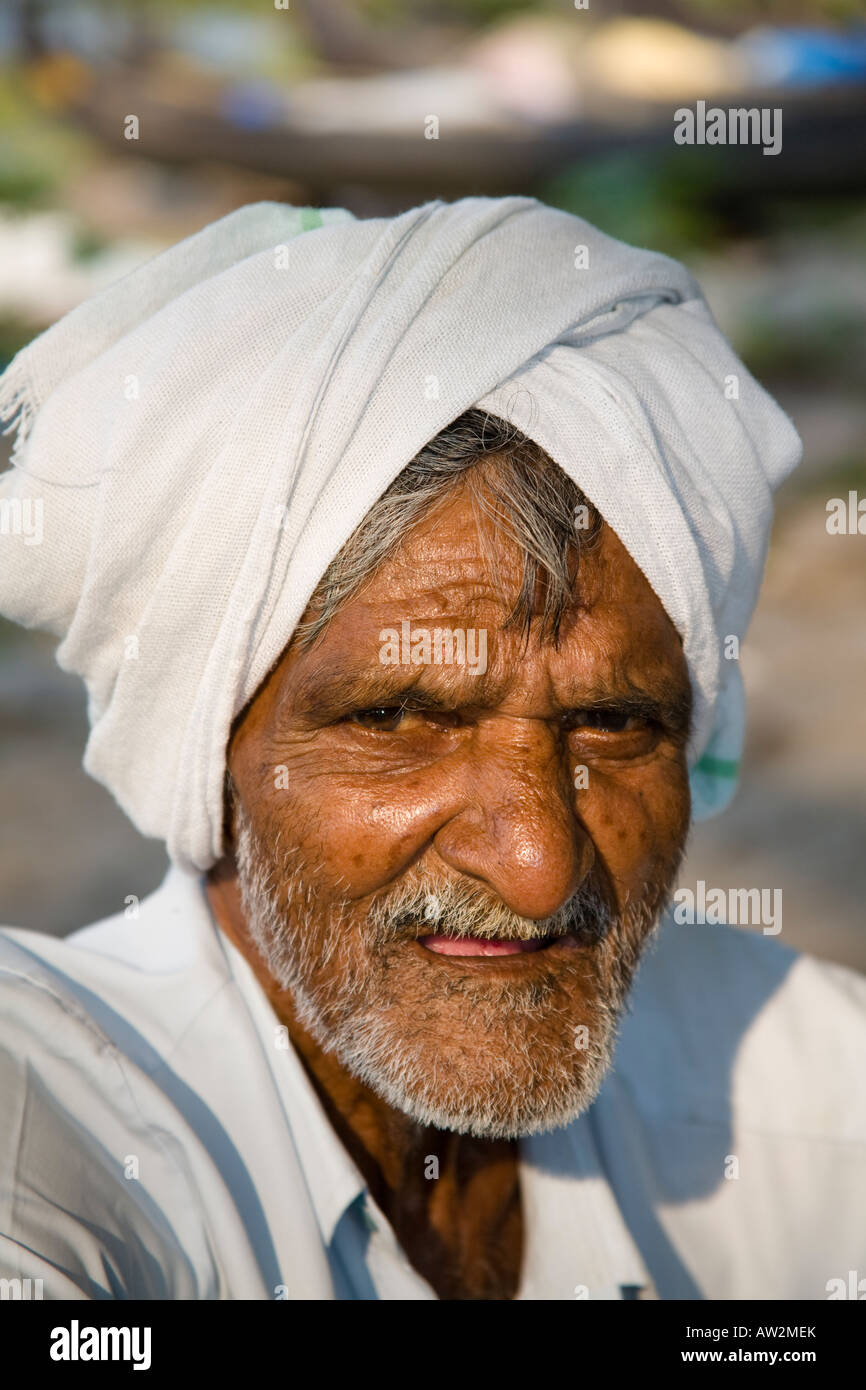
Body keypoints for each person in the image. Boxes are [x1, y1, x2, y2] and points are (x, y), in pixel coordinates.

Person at [0, 197, 863, 1300]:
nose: (538, 865)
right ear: (210, 738)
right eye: (399, 721)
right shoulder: (48, 1117)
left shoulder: (805, 1092)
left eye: (611, 724)